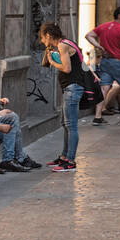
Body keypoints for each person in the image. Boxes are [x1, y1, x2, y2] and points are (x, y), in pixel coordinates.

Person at [40, 22, 87, 171]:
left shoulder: (62, 45)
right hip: (69, 88)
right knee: (65, 124)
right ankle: (64, 157)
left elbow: (67, 68)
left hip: (73, 88)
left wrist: (53, 62)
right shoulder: (64, 44)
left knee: (71, 126)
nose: (42, 41)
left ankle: (70, 162)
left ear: (48, 35)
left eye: (42, 38)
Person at [86, 7, 120, 118]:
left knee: (104, 88)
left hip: (105, 61)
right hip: (119, 62)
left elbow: (88, 35)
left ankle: (97, 116)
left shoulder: (103, 26)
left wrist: (98, 46)